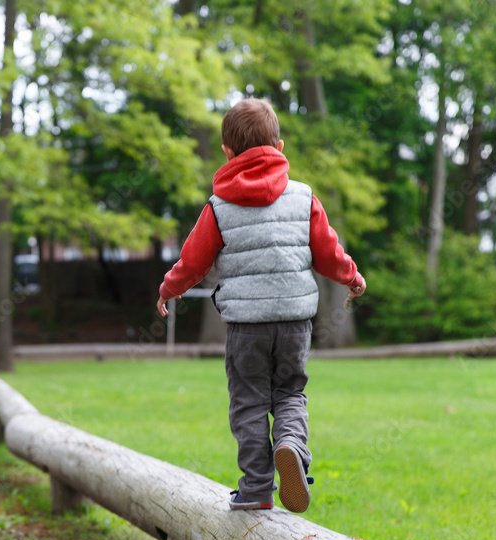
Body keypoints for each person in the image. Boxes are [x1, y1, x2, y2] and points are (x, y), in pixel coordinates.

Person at [156, 98, 365, 513]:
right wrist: (352, 277)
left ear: (227, 153)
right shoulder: (303, 198)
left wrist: (169, 288)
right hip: (294, 321)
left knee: (249, 401)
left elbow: (193, 261)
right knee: (290, 393)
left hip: (246, 325)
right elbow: (327, 253)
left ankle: (255, 488)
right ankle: (291, 445)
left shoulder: (218, 207)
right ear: (279, 147)